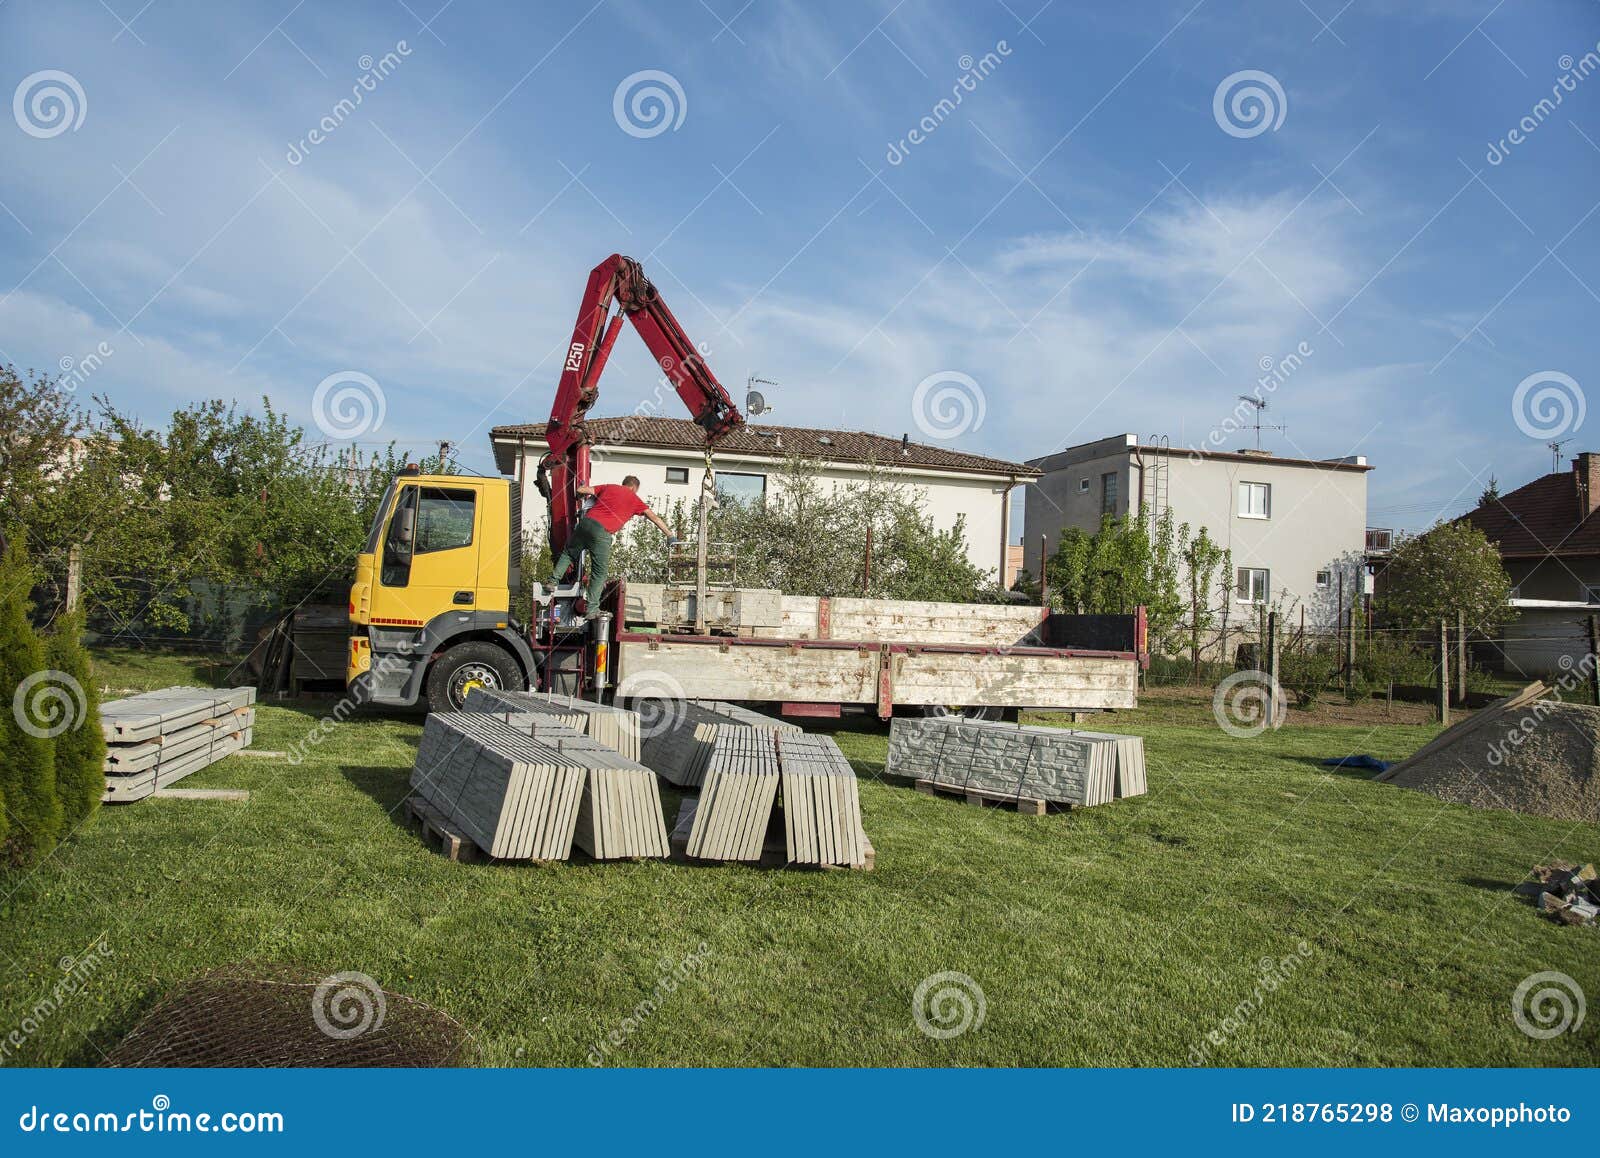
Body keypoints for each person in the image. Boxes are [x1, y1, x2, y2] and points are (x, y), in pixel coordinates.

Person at [549, 475, 679, 615]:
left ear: (623, 484)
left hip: (585, 523)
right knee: (599, 573)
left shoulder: (608, 487)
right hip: (601, 532)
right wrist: (670, 535)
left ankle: (552, 582)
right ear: (634, 488)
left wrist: (581, 488)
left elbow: (581, 490)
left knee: (568, 553)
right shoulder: (635, 499)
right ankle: (592, 609)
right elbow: (654, 518)